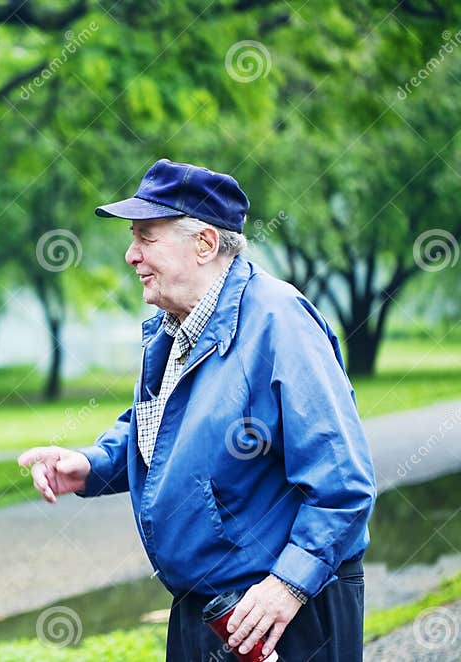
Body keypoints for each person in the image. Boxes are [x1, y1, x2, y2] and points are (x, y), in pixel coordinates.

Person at [19, 159, 377, 661]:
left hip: (279, 611)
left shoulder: (280, 323)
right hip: (205, 610)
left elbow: (344, 485)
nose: (130, 255)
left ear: (205, 244)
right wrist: (92, 465)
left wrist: (288, 585)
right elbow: (165, 429)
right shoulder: (173, 327)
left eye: (146, 237)